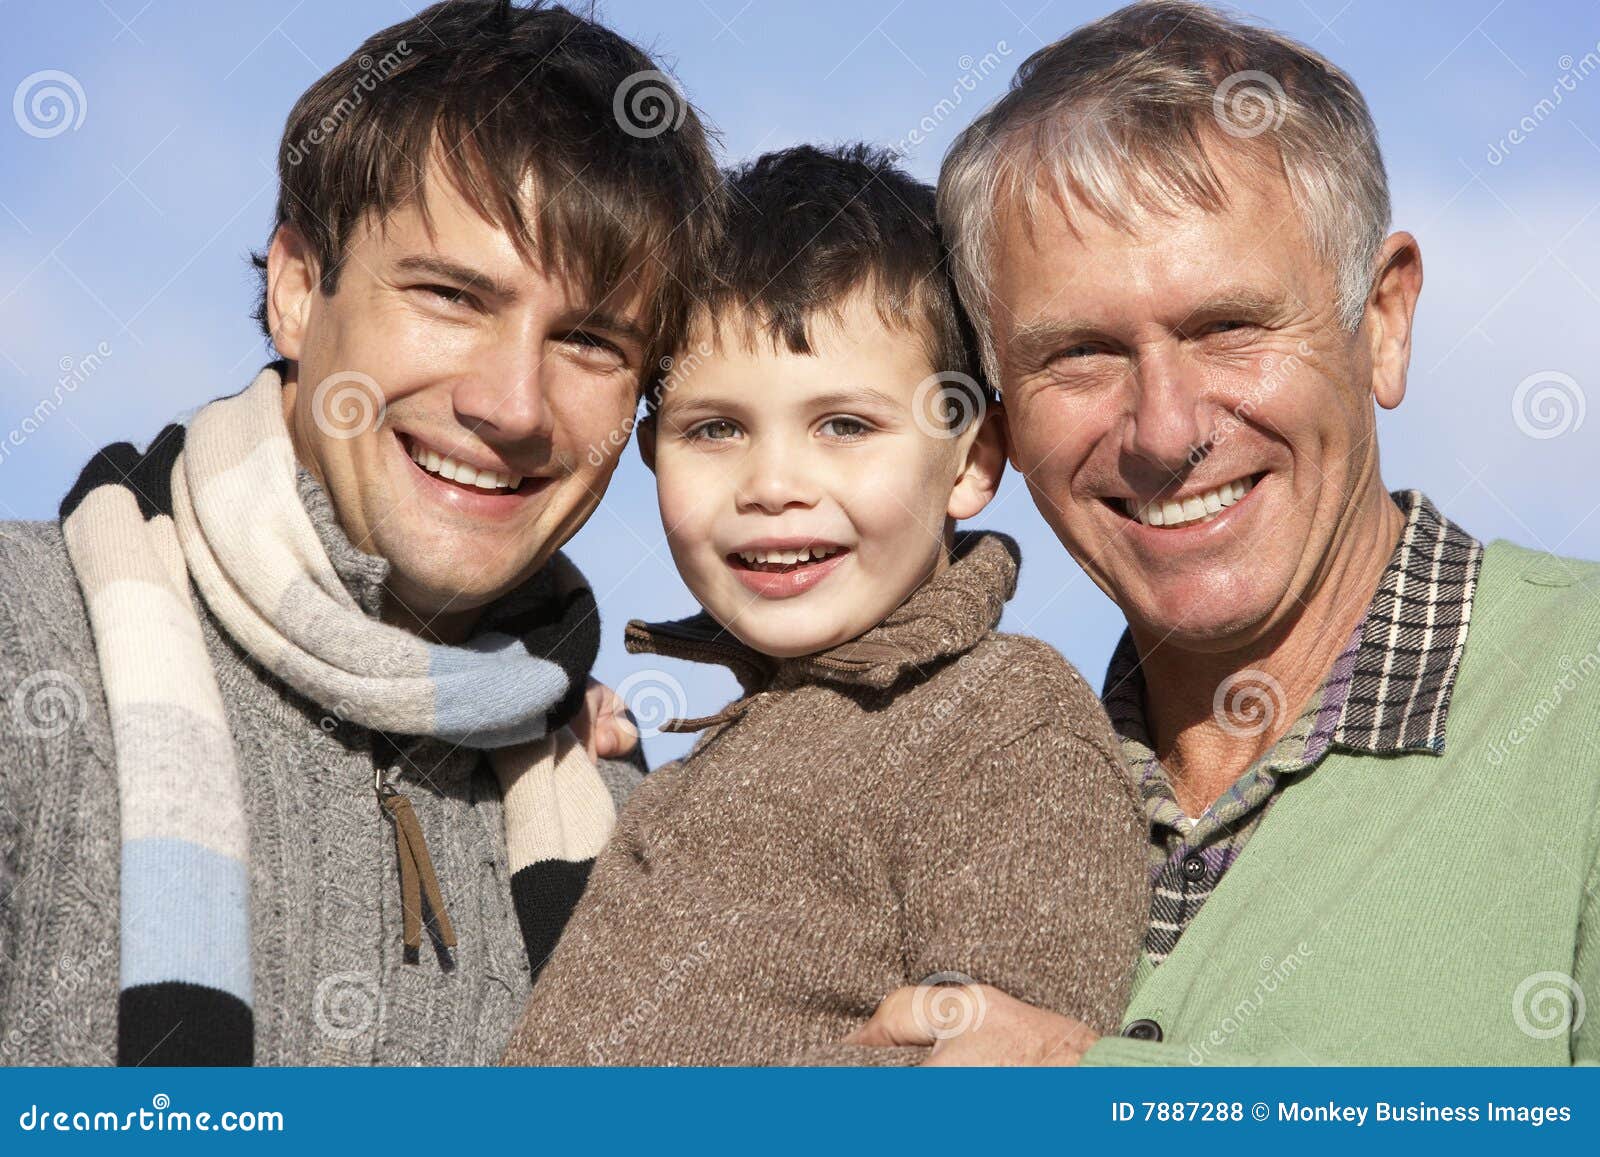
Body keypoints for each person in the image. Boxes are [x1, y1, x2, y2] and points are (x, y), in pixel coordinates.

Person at [848, 0, 1600, 1066]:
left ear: (1380, 323)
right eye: (1080, 352)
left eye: (1229, 327)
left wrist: (1093, 1091)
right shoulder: (955, 792)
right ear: (999, 417)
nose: (1165, 430)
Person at [0, 0, 720, 1065]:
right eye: (451, 296)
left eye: (589, 341)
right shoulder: (25, 645)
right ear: (298, 289)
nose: (514, 404)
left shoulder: (628, 822)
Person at [500, 145, 1148, 1066]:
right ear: (650, 453)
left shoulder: (1004, 726)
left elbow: (1006, 1065)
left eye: (844, 425)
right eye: (714, 428)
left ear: (972, 460)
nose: (772, 484)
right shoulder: (723, 750)